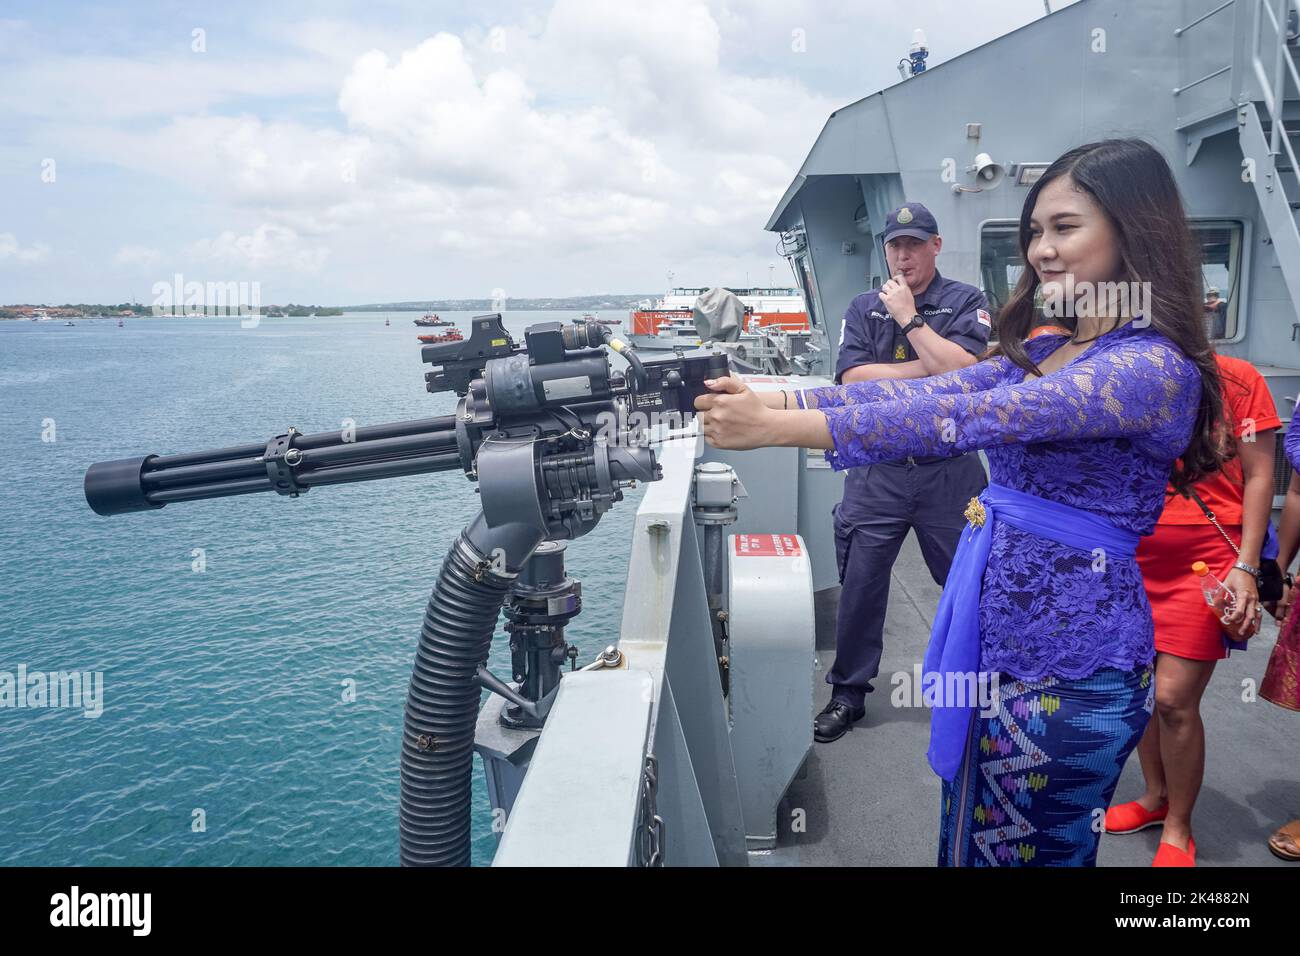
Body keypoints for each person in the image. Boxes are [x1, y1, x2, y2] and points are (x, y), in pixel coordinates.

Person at [695, 138, 1224, 866]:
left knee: (1031, 851)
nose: (1042, 249)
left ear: (1135, 228)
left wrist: (776, 428)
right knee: (972, 837)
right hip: (999, 648)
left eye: (1064, 227)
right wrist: (771, 393)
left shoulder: (1145, 367)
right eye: (1035, 231)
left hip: (1071, 670)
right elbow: (929, 392)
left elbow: (969, 421)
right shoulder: (1049, 347)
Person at [817, 202, 992, 743]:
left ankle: (982, 693)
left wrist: (909, 320)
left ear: (935, 246)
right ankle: (848, 695)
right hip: (879, 474)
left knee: (969, 586)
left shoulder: (965, 300)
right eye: (895, 244)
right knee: (861, 587)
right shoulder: (862, 305)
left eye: (915, 243)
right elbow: (852, 380)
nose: (904, 254)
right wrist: (930, 367)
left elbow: (966, 377)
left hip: (950, 473)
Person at [1105, 354, 1277, 866]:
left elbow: (1260, 476)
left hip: (1204, 563)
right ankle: (1156, 797)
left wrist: (1247, 566)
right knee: (1142, 692)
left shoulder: (1239, 379)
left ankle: (1179, 825)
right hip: (1126, 554)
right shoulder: (1125, 371)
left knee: (1174, 698)